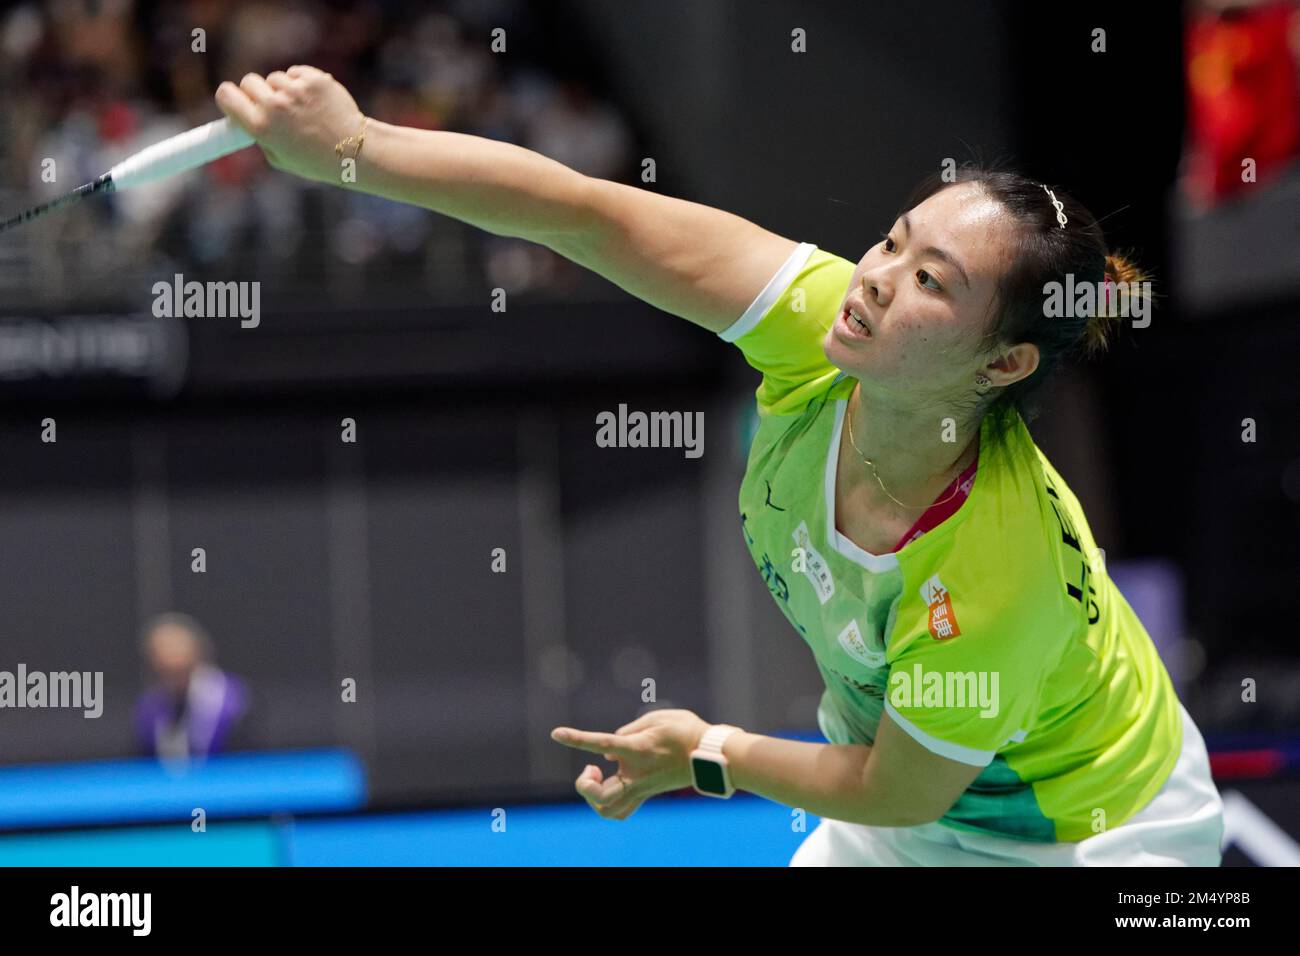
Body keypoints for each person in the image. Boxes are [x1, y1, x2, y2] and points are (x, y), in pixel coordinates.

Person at [213, 66, 1224, 865]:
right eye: (890, 239)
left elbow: (893, 788)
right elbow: (588, 213)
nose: (873, 278)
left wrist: (707, 751)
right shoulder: (820, 322)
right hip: (916, 804)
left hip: (1088, 831)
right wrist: (356, 150)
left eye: (929, 280)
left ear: (1001, 361)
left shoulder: (991, 570)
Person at [135, 612, 250, 762]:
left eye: (181, 670)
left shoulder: (236, 703)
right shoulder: (148, 711)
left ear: (199, 657)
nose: (174, 676)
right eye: (166, 671)